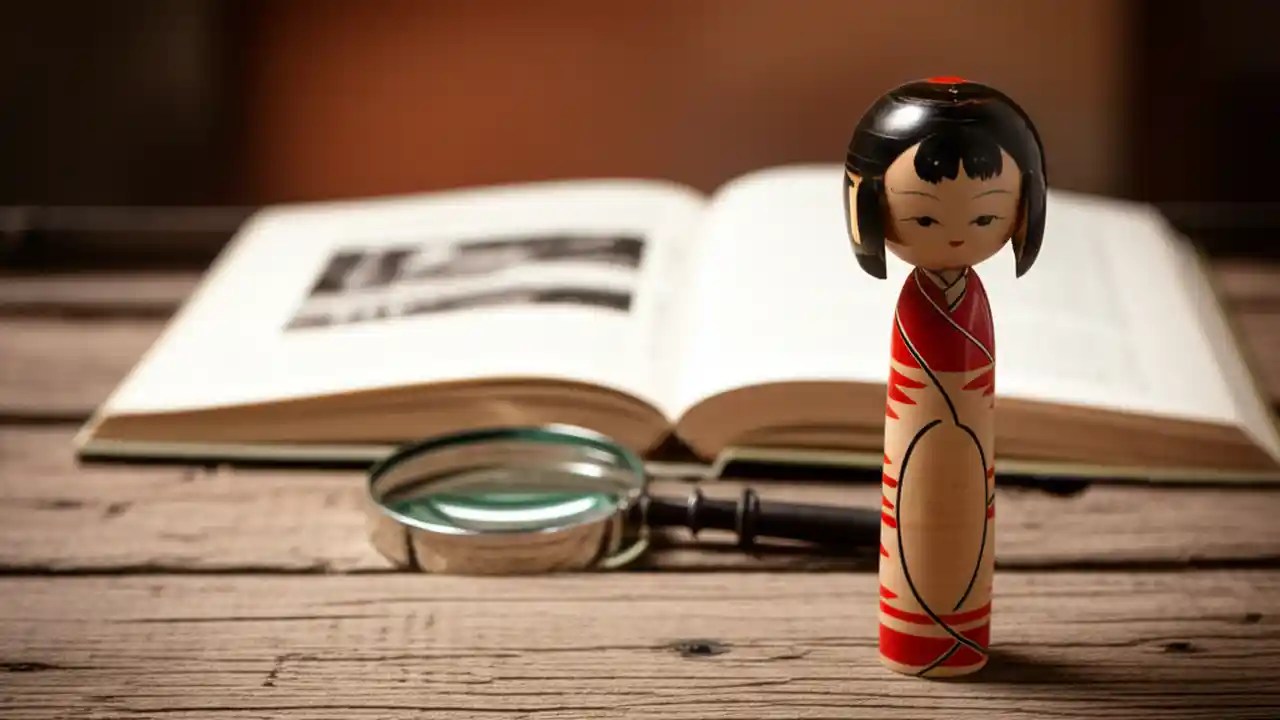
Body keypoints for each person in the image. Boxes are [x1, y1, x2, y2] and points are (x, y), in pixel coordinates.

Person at [843, 76, 1047, 677]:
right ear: (869, 208)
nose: (958, 234)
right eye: (925, 220)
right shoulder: (919, 307)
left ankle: (952, 637)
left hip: (963, 469)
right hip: (917, 471)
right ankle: (921, 636)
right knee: (908, 501)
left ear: (1023, 209)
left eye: (986, 215)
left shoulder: (973, 306)